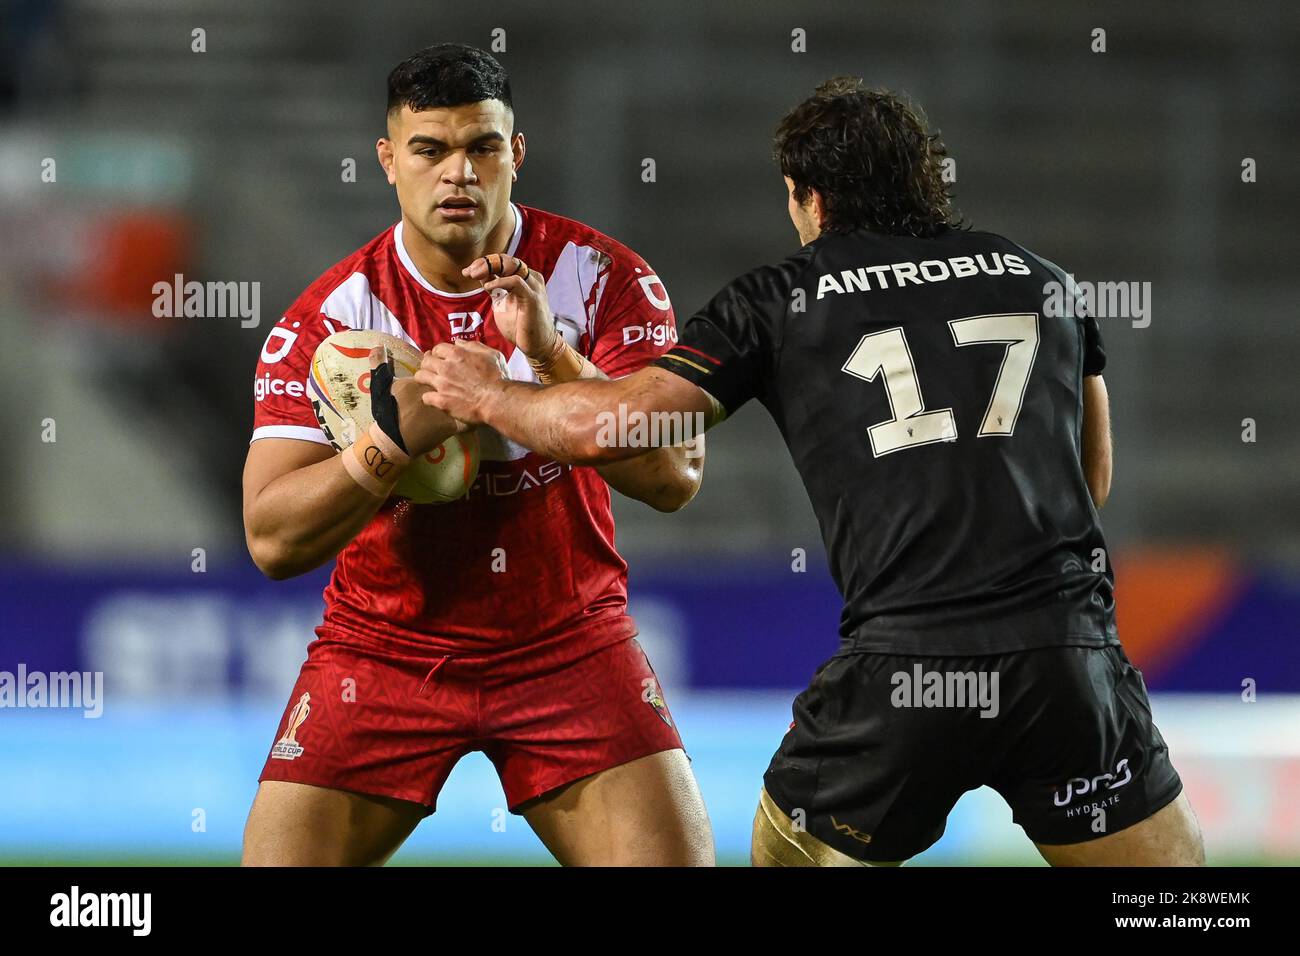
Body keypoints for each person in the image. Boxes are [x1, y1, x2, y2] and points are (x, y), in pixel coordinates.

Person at [415, 77, 1205, 867]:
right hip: (1069, 662)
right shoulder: (1044, 279)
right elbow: (1087, 484)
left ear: (810, 198)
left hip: (904, 674)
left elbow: (619, 427)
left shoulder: (780, 299)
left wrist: (491, 391)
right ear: (927, 177)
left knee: (785, 851)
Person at [241, 43, 713, 866]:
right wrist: (393, 440)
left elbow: (674, 477)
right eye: (429, 150)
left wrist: (554, 358)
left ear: (515, 154)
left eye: (481, 148)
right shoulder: (332, 316)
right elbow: (271, 539)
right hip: (384, 650)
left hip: (566, 644)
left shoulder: (599, 279)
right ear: (388, 161)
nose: (457, 173)